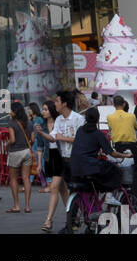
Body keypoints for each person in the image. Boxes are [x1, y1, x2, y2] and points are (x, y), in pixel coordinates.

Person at [40, 90, 83, 232]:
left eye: (57, 101)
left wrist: (62, 138)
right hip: (61, 159)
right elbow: (53, 137)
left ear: (64, 103)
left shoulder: (78, 119)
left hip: (75, 160)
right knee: (58, 189)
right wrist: (41, 133)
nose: (55, 104)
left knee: (73, 191)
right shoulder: (59, 120)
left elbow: (80, 141)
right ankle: (53, 220)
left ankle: (74, 218)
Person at [70, 107, 126, 194]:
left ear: (86, 118)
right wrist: (126, 155)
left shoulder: (80, 130)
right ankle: (109, 195)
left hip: (74, 165)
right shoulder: (98, 134)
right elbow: (111, 153)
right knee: (115, 171)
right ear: (98, 119)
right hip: (89, 165)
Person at [5, 101, 34, 214]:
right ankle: (27, 206)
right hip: (27, 152)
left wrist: (6, 145)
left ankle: (16, 205)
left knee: (13, 179)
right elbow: (33, 140)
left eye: (11, 110)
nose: (9, 112)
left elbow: (12, 140)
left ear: (15, 112)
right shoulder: (29, 123)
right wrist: (26, 146)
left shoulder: (12, 123)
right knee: (26, 178)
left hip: (15, 152)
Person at [27, 102, 47, 183]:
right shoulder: (32, 119)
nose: (28, 110)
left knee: (40, 162)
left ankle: (46, 181)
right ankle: (40, 182)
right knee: (34, 162)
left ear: (33, 109)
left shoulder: (39, 119)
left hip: (38, 142)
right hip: (33, 142)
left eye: (30, 109)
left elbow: (39, 131)